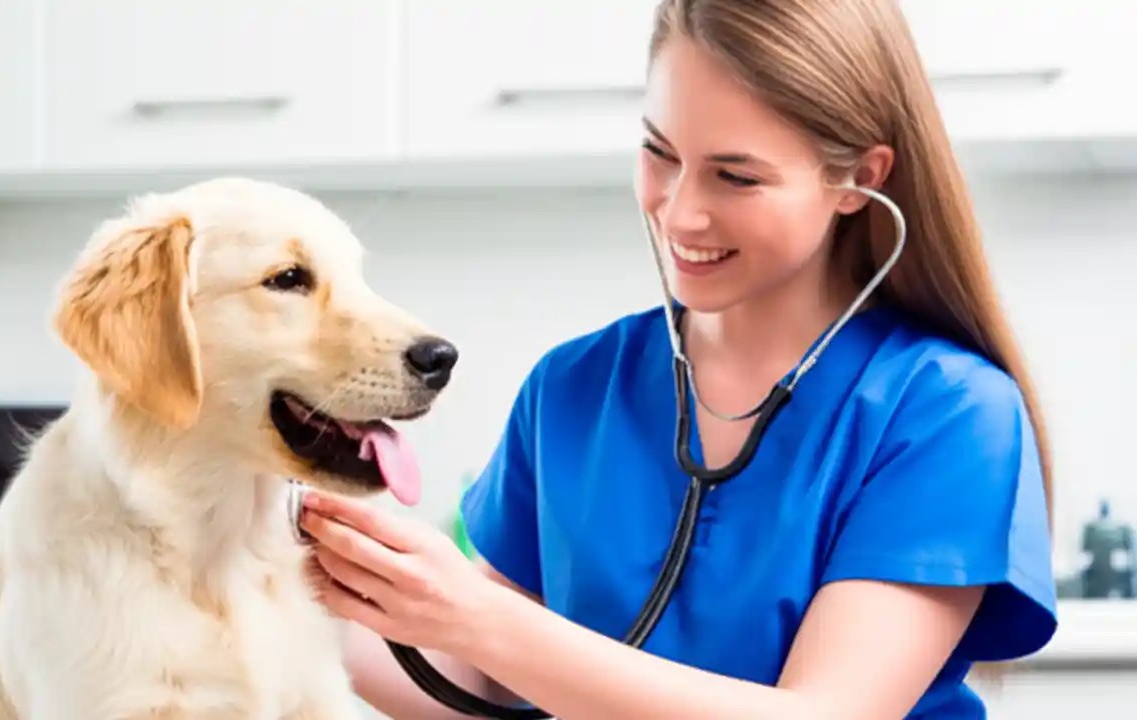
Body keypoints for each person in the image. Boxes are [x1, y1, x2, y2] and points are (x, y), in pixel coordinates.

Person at [298, 0, 1058, 717]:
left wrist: (474, 617)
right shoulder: (574, 389)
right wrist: (271, 572)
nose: (680, 210)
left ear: (860, 179)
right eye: (660, 153)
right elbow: (478, 687)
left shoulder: (947, 411)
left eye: (736, 175)